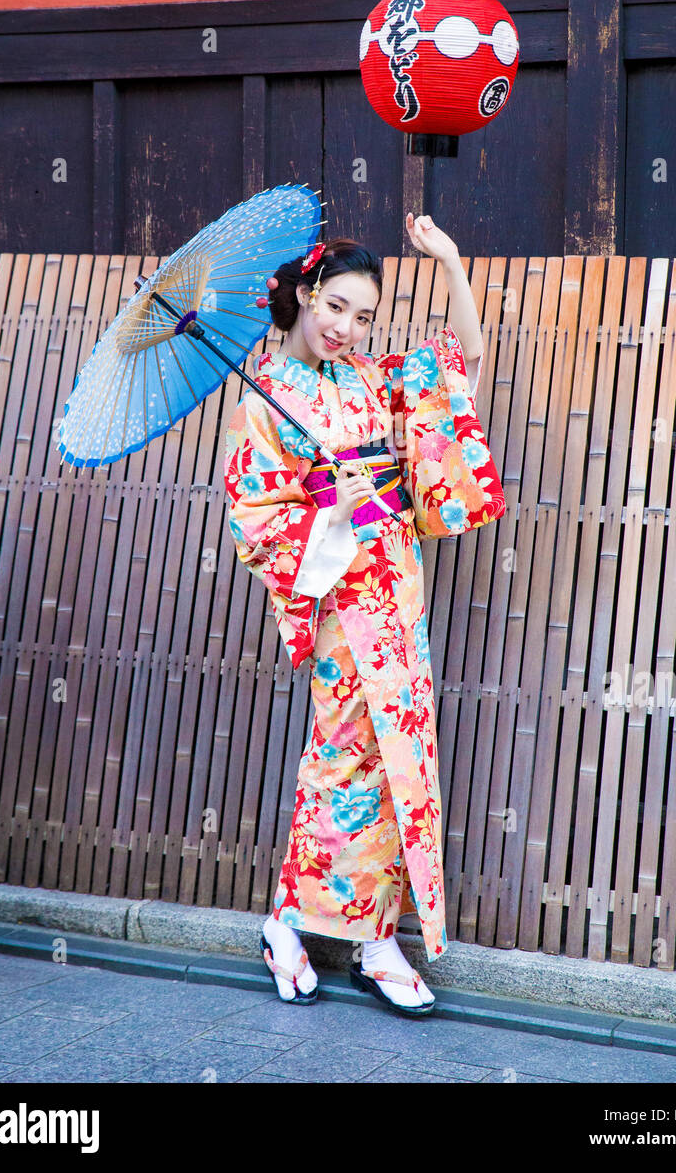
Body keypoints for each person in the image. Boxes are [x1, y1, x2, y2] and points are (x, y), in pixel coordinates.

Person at [222, 212, 506, 1015]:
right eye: (336, 306)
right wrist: (334, 512)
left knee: (400, 768)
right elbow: (255, 521)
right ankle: (302, 925)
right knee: (345, 764)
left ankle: (371, 935)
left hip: (397, 593)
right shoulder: (265, 397)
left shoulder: (368, 381)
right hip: (339, 600)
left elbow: (462, 366)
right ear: (305, 295)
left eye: (363, 316)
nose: (347, 327)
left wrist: (450, 262)